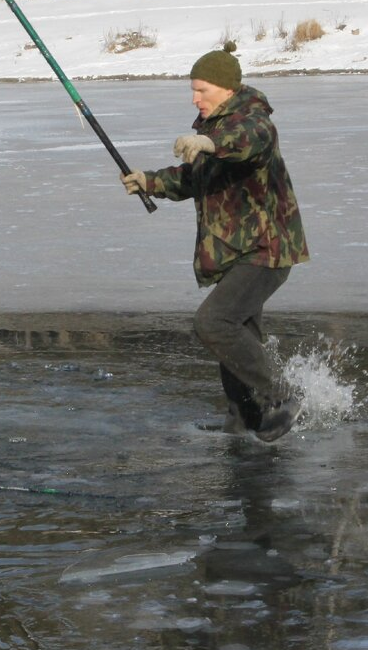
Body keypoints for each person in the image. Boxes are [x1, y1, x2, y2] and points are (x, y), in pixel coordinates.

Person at [121, 41, 309, 442]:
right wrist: (149, 181)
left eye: (202, 90)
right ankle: (244, 423)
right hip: (235, 251)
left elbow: (248, 142)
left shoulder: (252, 120)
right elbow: (194, 179)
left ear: (226, 89)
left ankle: (284, 397)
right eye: (192, 90)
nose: (194, 99)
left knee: (214, 323)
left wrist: (210, 143)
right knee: (235, 333)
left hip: (266, 249)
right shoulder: (212, 127)